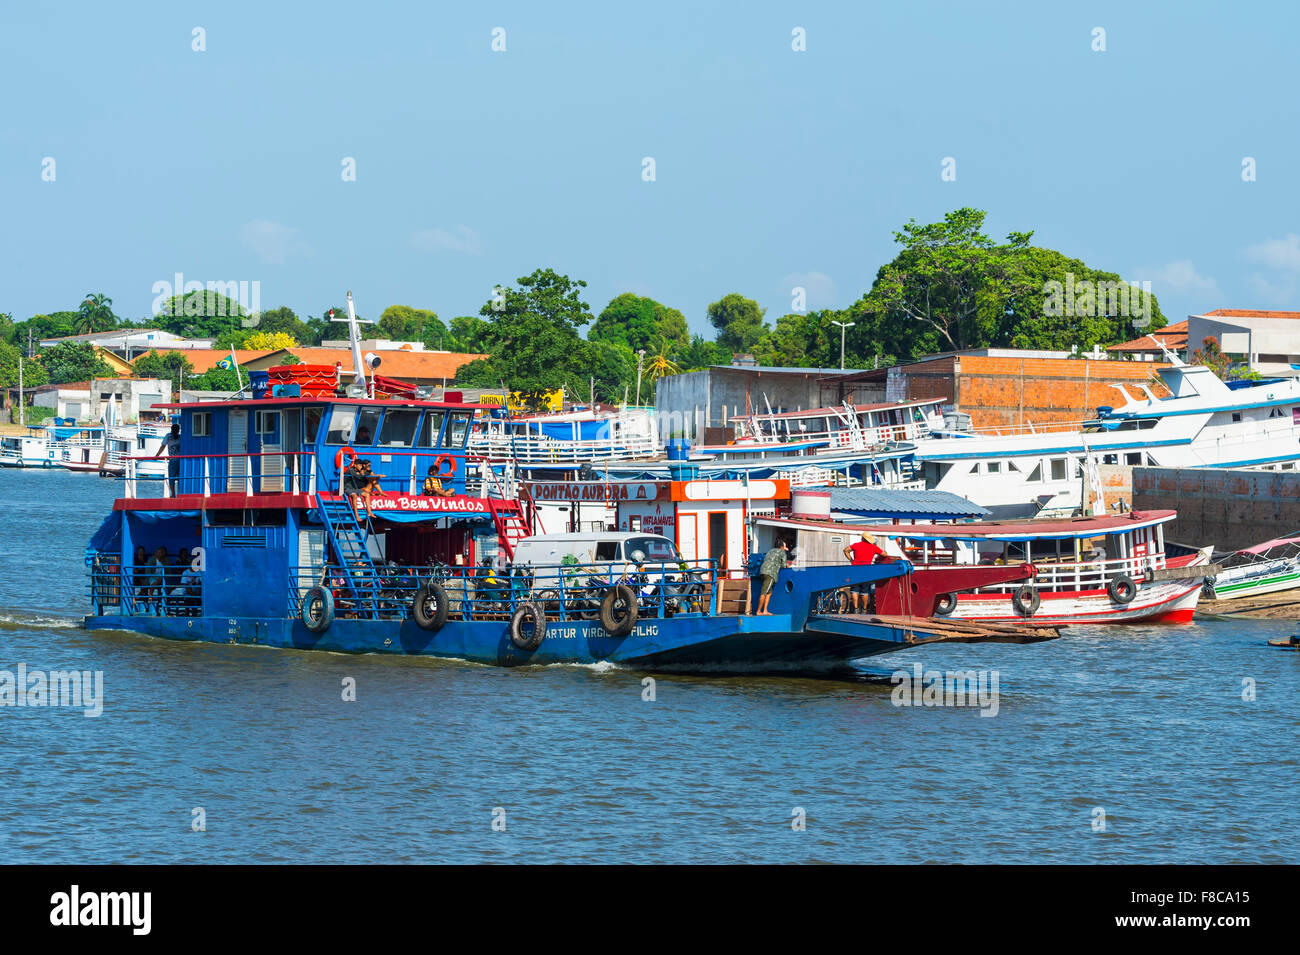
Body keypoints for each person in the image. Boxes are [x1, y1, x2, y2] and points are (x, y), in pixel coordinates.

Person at [843, 531, 886, 613]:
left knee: (854, 590)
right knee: (865, 591)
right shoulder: (874, 547)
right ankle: (865, 609)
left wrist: (851, 560)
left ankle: (856, 609)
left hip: (855, 569)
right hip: (866, 571)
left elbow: (845, 550)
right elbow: (884, 554)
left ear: (863, 538)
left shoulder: (856, 545)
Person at [755, 539, 792, 615]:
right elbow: (783, 565)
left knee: (769, 592)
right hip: (770, 573)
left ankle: (765, 610)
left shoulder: (770, 551)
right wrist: (788, 565)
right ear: (782, 547)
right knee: (764, 592)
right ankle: (758, 611)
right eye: (784, 546)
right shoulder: (782, 552)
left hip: (762, 571)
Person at [154, 422, 182, 495]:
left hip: (173, 460)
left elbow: (163, 446)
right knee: (180, 478)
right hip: (181, 460)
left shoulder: (168, 436)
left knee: (171, 478)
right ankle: (179, 493)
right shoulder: (181, 437)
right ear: (178, 430)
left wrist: (157, 455)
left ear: (171, 429)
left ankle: (173, 494)